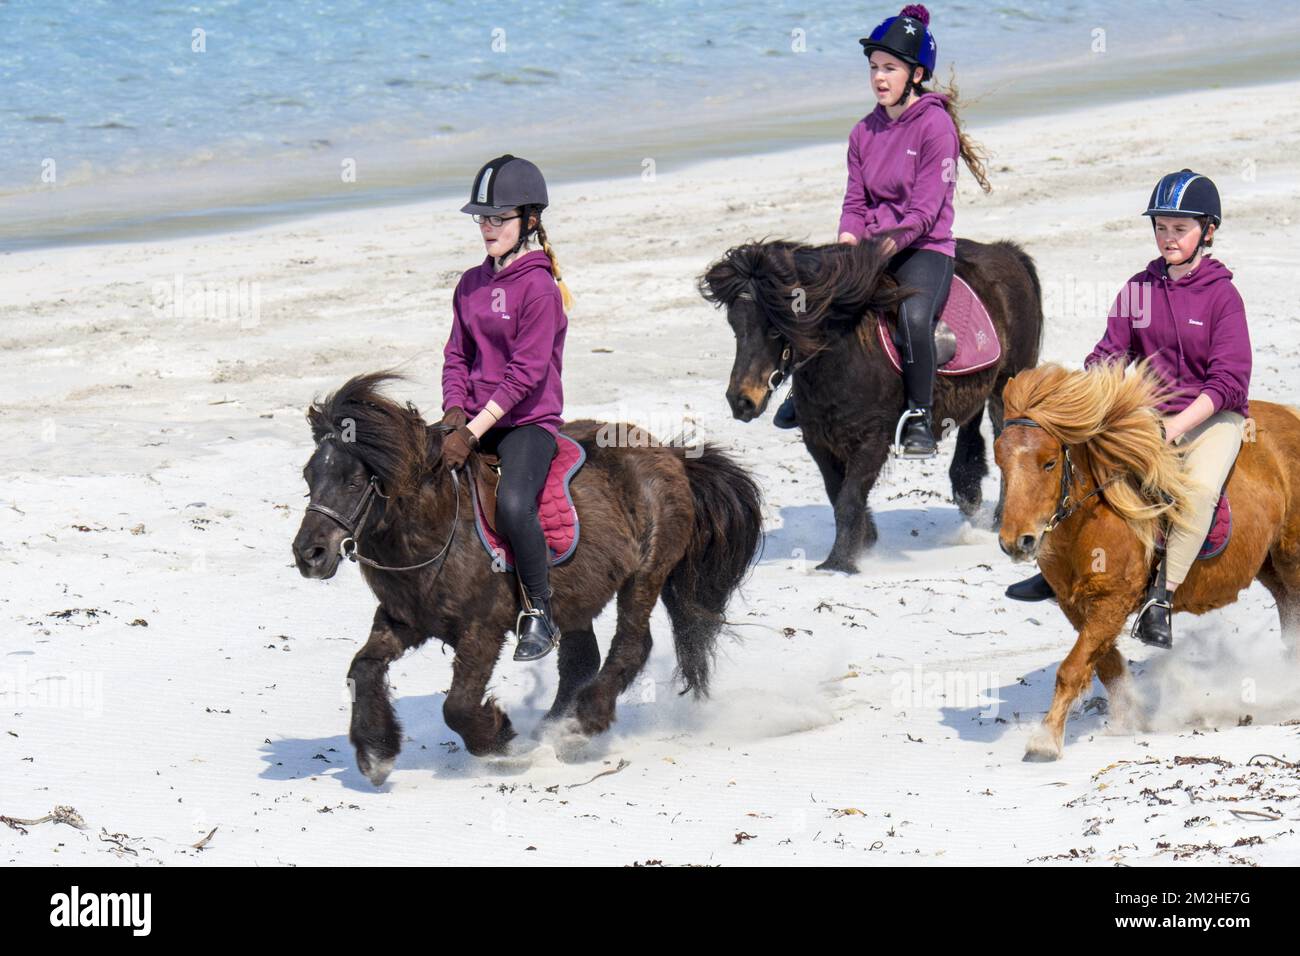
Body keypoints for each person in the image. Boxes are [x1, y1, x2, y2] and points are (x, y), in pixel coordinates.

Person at [1006, 170, 1252, 651]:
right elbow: (1108, 353)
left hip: (1211, 417)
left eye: (1180, 229)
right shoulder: (1139, 290)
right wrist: (1091, 394)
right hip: (1146, 415)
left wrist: (1176, 426)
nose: (1168, 238)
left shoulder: (1224, 297)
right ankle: (1055, 570)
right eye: (1161, 227)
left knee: (1197, 492)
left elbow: (1228, 381)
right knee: (1077, 469)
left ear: (1208, 231)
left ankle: (1162, 597)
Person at [774, 3, 991, 459]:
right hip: (871, 247)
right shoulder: (861, 133)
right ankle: (803, 392)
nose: (879, 78)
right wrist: (847, 246)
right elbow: (855, 203)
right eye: (874, 68)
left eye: (890, 68)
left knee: (913, 319)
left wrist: (879, 249)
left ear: (915, 74)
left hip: (925, 250)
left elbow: (926, 212)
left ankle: (919, 415)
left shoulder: (936, 127)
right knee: (812, 295)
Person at [439, 154, 574, 661]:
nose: (487, 228)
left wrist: (472, 431)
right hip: (471, 418)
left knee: (515, 504)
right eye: (482, 218)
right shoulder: (470, 283)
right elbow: (457, 354)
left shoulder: (539, 288)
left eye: (498, 218)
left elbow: (525, 374)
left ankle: (539, 611)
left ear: (529, 221)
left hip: (525, 423)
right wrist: (454, 411)